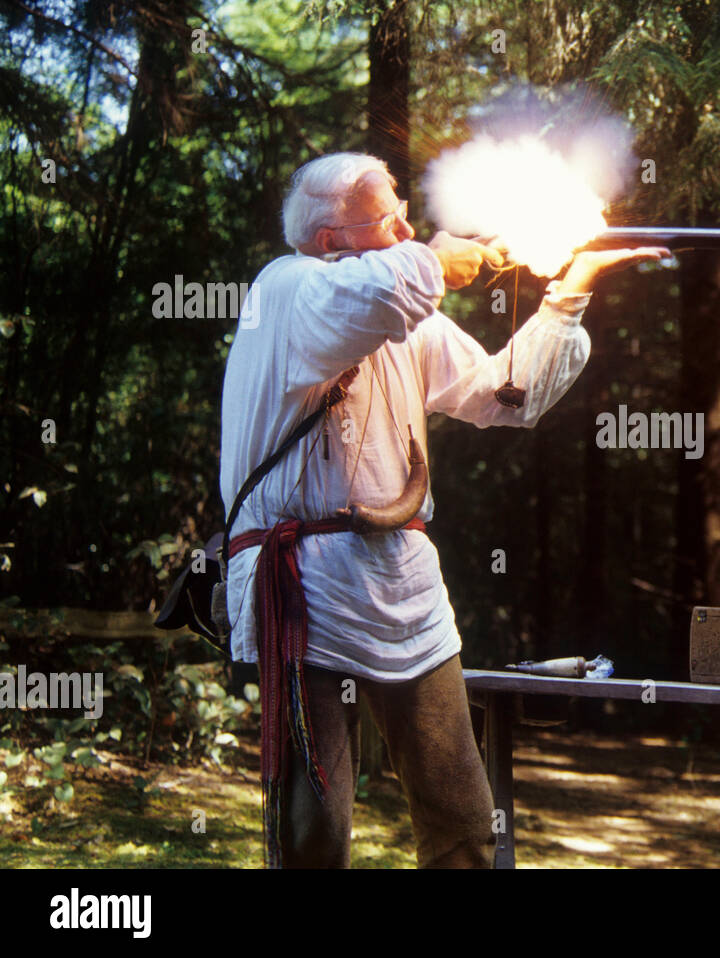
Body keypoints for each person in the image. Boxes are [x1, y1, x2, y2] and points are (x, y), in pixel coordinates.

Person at [219, 151, 666, 868]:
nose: (405, 222)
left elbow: (504, 394)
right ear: (332, 238)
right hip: (308, 589)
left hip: (405, 585)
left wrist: (571, 289)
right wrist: (436, 262)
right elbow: (367, 301)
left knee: (462, 811)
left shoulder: (405, 315)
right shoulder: (290, 288)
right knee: (316, 824)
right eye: (385, 215)